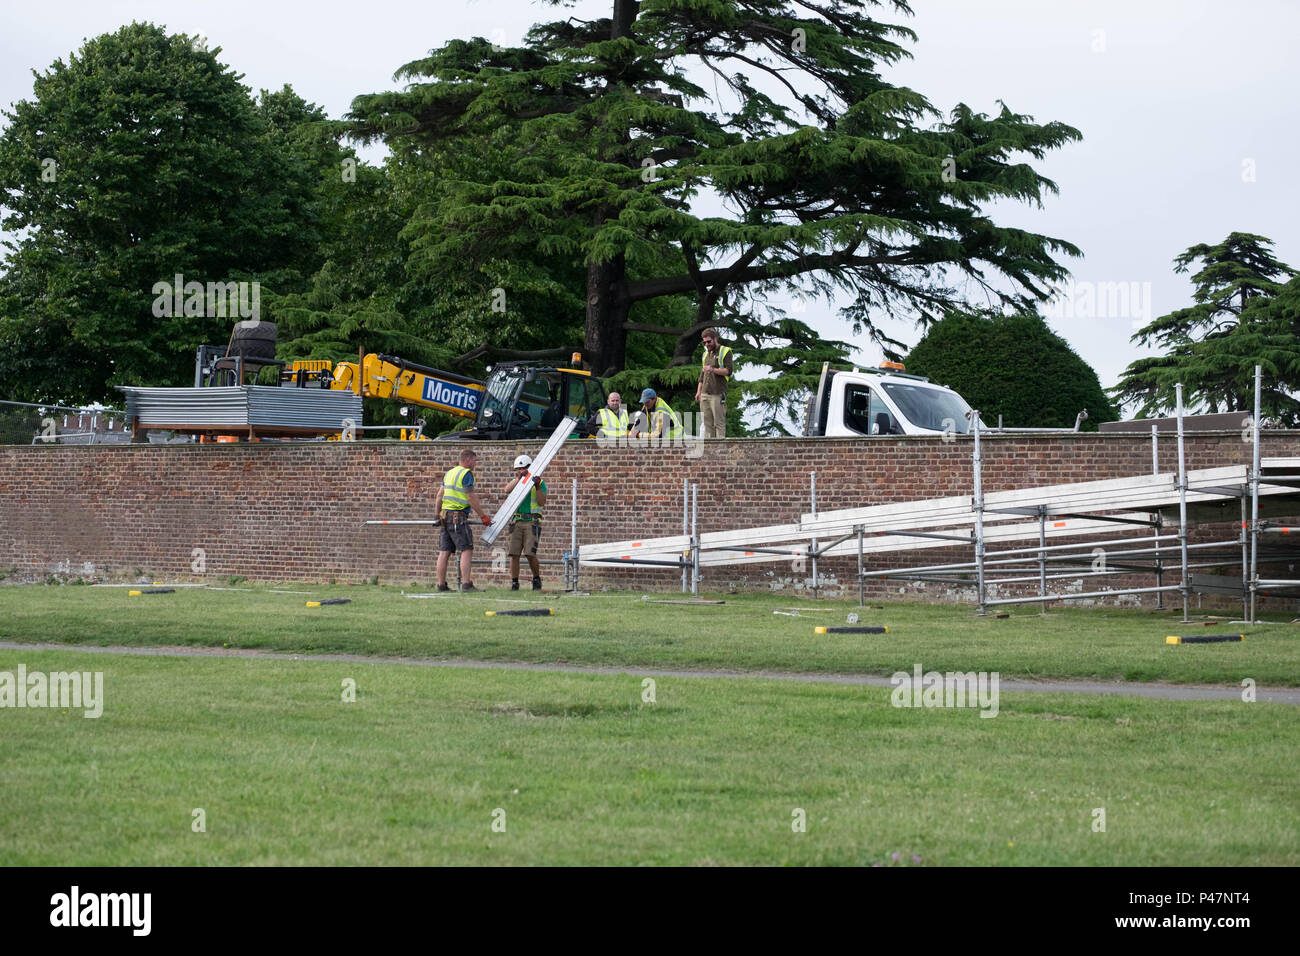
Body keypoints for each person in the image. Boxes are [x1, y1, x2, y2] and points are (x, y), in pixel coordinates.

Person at [432, 449, 491, 592]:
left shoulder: (449, 473)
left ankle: (441, 585)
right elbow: (470, 497)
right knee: (466, 548)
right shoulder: (466, 474)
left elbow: (440, 495)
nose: (476, 464)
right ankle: (466, 584)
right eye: (475, 461)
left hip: (445, 517)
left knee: (444, 551)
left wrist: (436, 515)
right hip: (458, 517)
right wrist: (483, 516)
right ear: (468, 460)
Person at [504, 454, 547, 590]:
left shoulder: (539, 482)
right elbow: (506, 490)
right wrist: (518, 479)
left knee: (530, 553)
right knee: (514, 554)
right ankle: (515, 582)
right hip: (517, 521)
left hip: (532, 522)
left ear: (530, 467)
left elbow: (541, 502)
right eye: (518, 469)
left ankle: (536, 579)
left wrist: (537, 486)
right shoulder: (518, 481)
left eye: (523, 468)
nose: (520, 471)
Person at [694, 327, 733, 438]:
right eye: (704, 342)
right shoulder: (705, 354)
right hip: (705, 394)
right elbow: (702, 375)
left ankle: (720, 452)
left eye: (709, 341)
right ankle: (709, 452)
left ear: (715, 339)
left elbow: (728, 371)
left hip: (718, 393)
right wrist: (698, 392)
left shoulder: (725, 351)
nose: (706, 344)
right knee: (707, 425)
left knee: (719, 424)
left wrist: (713, 370)